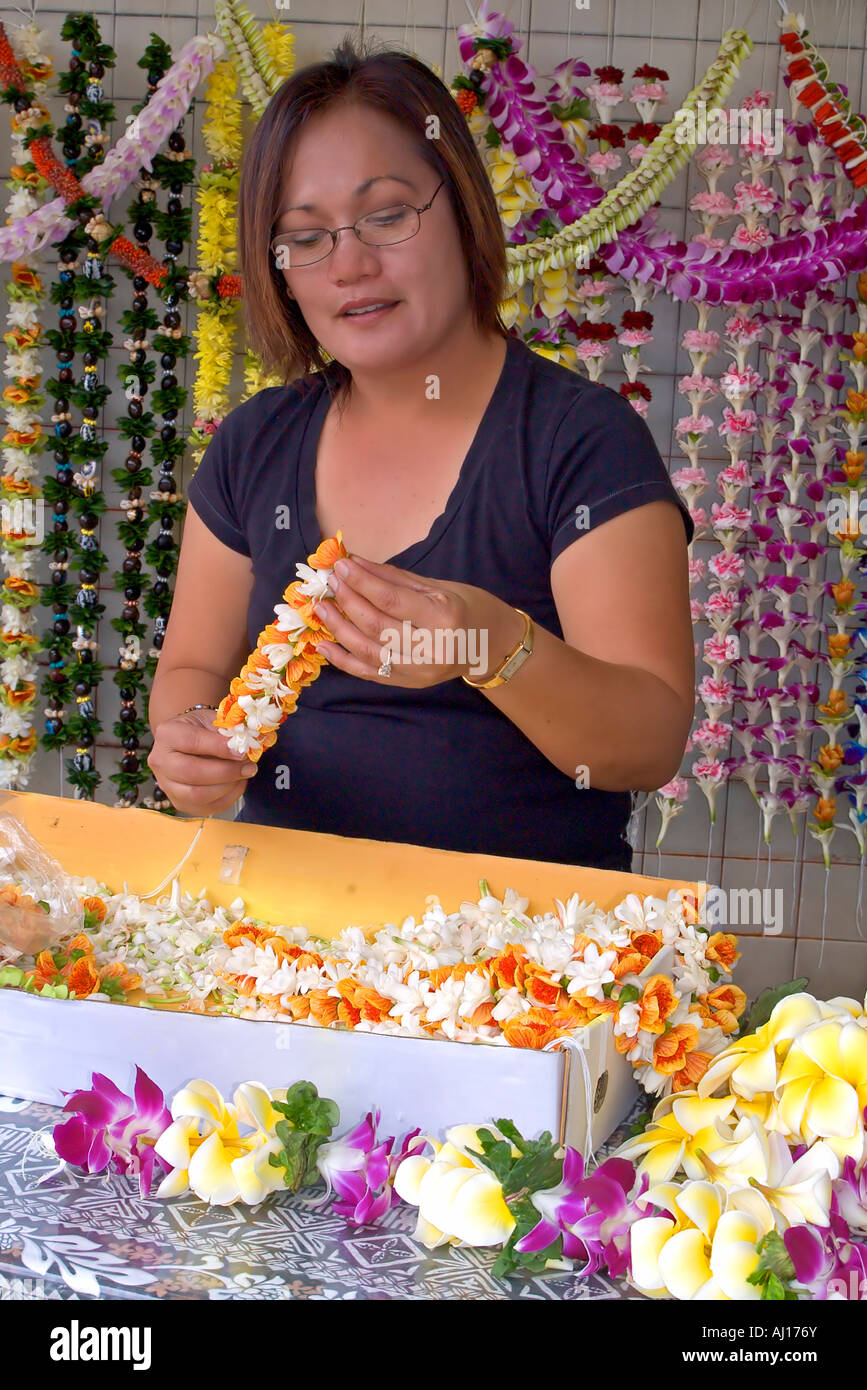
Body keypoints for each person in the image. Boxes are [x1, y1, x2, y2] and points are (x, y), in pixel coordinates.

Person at [147, 36, 696, 872]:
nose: (351, 265)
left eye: (388, 215)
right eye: (305, 237)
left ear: (463, 206)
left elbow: (646, 742)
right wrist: (188, 742)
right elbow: (193, 664)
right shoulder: (255, 443)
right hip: (280, 946)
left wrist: (490, 645)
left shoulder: (577, 441)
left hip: (521, 959)